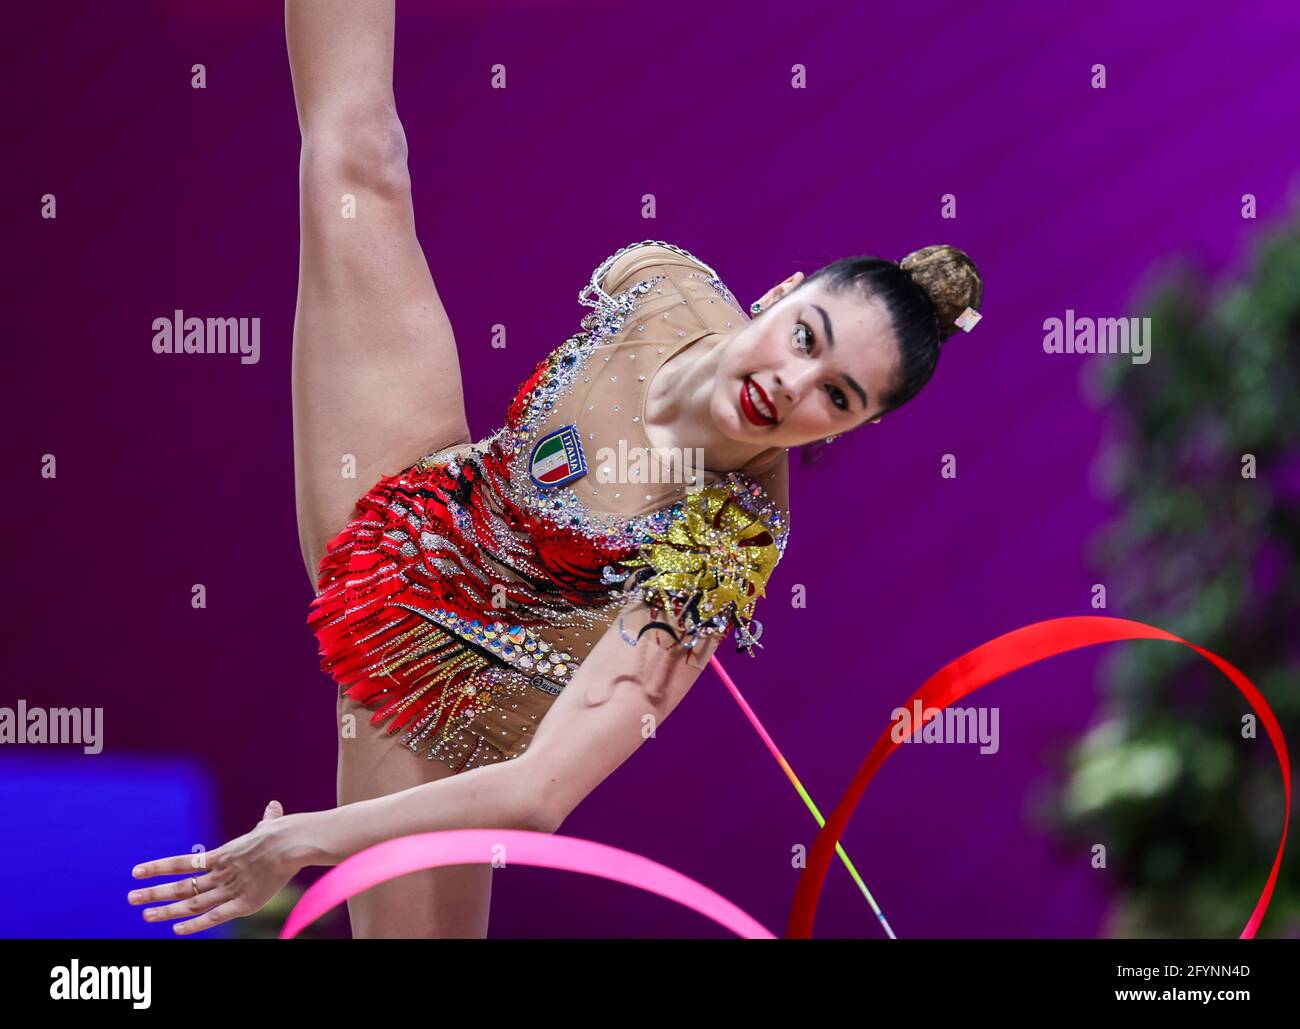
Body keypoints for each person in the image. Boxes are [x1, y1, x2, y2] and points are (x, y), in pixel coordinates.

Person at [127, 0, 983, 938]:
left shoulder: (724, 546)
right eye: (805, 337)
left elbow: (539, 793)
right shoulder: (663, 280)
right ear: (780, 294)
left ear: (848, 427)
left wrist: (301, 843)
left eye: (838, 394)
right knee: (354, 162)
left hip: (444, 692)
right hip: (413, 496)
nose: (791, 382)